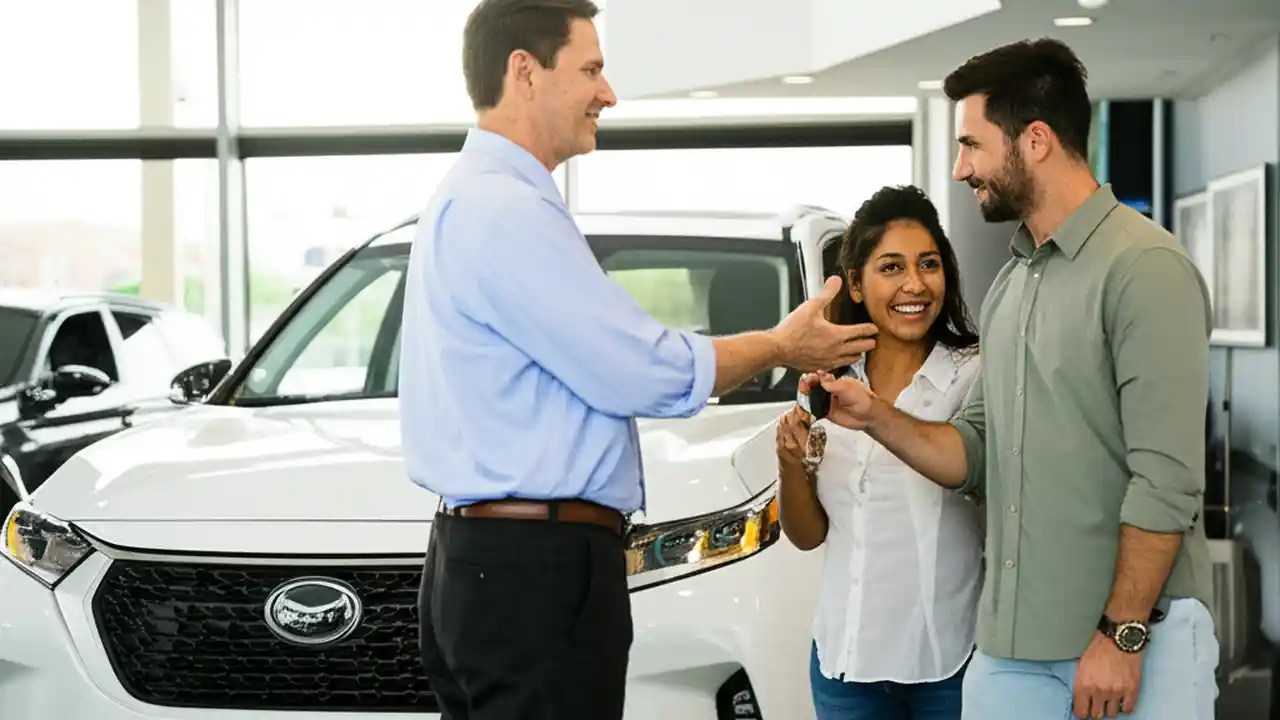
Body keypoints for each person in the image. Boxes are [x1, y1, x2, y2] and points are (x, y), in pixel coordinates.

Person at [397, 2, 878, 719]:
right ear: (524, 73)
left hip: (489, 563)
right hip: (534, 572)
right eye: (590, 69)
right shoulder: (506, 212)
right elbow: (642, 370)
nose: (608, 93)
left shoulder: (472, 200)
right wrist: (782, 345)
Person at [809, 38, 1218, 720]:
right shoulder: (1012, 284)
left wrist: (1122, 632)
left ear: (1034, 141)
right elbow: (975, 453)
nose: (960, 168)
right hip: (1011, 654)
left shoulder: (1145, 268)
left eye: (972, 145)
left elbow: (1166, 480)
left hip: (1138, 641)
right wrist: (871, 412)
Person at [776, 185, 982, 720]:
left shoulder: (975, 376)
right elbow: (808, 535)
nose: (914, 284)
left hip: (948, 664)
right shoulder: (826, 386)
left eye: (928, 264)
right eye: (891, 268)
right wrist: (789, 465)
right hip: (845, 663)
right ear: (857, 286)